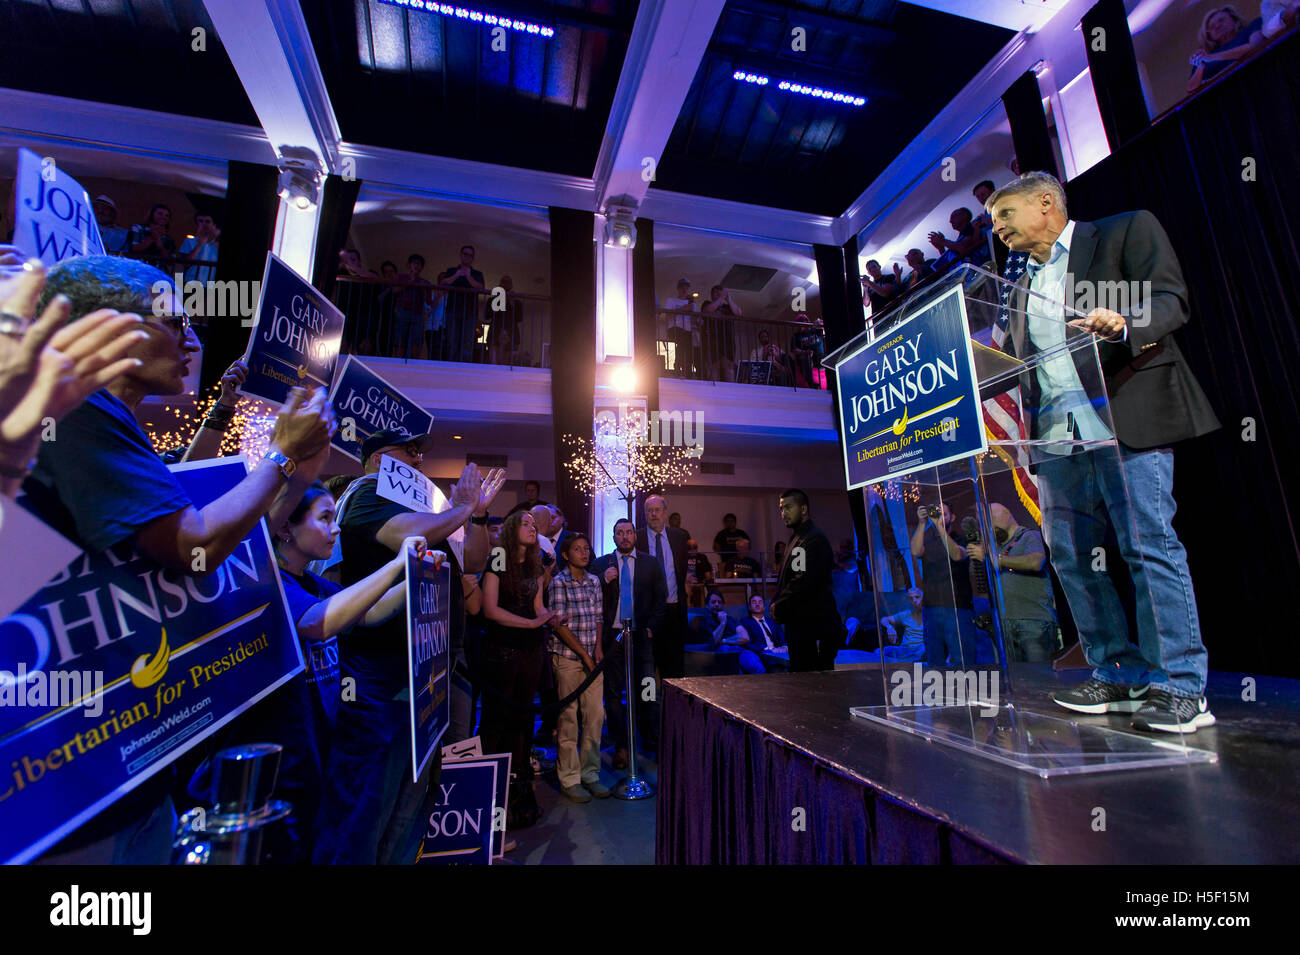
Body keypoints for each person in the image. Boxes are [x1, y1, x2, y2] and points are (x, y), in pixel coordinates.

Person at [16, 256, 334, 863]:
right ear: (113, 325)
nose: (192, 339)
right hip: (68, 779)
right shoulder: (73, 407)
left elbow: (186, 495)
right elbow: (194, 546)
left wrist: (255, 440)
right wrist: (281, 460)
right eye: (175, 322)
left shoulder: (102, 416)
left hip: (123, 757)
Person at [986, 171, 1220, 732]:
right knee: (1070, 556)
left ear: (1045, 203)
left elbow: (1170, 299)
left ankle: (1181, 688)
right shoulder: (1018, 285)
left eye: (1004, 216)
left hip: (1122, 418)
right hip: (1054, 433)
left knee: (1148, 547)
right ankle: (1119, 672)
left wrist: (1124, 322)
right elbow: (1023, 362)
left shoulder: (1122, 233)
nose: (997, 230)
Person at [315, 429, 500, 862]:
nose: (419, 460)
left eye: (420, 453)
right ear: (380, 459)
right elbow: (407, 535)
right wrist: (460, 507)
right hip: (382, 667)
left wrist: (474, 517)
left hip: (429, 662)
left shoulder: (430, 508)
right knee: (373, 795)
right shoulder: (365, 494)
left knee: (415, 790)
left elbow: (473, 560)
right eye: (410, 452)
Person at [264, 482, 428, 862]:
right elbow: (318, 622)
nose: (335, 529)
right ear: (287, 527)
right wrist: (394, 565)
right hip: (282, 757)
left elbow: (367, 611)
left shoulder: (313, 582)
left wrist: (416, 574)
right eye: (324, 518)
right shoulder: (272, 580)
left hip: (319, 745)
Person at [0, 260, 146, 497]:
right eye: (175, 323)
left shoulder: (59, 394)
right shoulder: (78, 406)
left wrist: (14, 453)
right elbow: (190, 534)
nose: (190, 342)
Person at [479, 510, 560, 826]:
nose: (531, 527)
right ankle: (488, 804)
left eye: (533, 524)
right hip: (502, 650)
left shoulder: (536, 562)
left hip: (530, 650)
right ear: (512, 528)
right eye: (525, 523)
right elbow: (490, 609)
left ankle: (520, 801)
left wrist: (548, 617)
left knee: (523, 723)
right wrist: (530, 623)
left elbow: (538, 606)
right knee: (498, 722)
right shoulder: (499, 556)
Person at [594, 518, 667, 767]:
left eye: (628, 532)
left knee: (647, 690)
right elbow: (592, 598)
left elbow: (661, 598)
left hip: (641, 637)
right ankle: (621, 746)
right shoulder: (600, 564)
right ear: (613, 537)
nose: (624, 536)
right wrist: (603, 580)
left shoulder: (650, 563)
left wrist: (650, 629)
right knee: (613, 694)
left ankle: (652, 739)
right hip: (613, 637)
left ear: (635, 536)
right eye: (619, 533)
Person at [546, 532, 611, 803]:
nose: (584, 553)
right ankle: (570, 778)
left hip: (591, 659)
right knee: (569, 719)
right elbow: (559, 627)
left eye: (586, 549)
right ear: (565, 554)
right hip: (568, 659)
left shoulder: (594, 581)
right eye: (577, 549)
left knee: (595, 716)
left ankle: (590, 773)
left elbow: (598, 616)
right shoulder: (559, 583)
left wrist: (596, 650)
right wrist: (585, 655)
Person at [966, 503, 1057, 662]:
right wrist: (978, 554)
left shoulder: (1030, 536)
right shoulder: (994, 547)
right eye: (985, 522)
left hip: (1034, 622)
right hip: (1006, 623)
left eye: (992, 518)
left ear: (1007, 513)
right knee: (1017, 679)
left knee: (1042, 677)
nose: (990, 525)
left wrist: (998, 560)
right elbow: (977, 578)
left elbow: (1036, 562)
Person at [771, 489, 843, 671]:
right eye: (781, 509)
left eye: (788, 507)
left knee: (816, 687)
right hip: (803, 627)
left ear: (803, 509)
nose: (783, 513)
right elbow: (796, 578)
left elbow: (801, 581)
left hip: (814, 628)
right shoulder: (799, 538)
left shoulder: (812, 539)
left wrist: (778, 606)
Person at [910, 502, 978, 667]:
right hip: (932, 607)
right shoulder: (928, 540)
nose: (940, 517)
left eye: (944, 514)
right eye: (938, 513)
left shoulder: (960, 538)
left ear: (952, 518)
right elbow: (915, 551)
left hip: (957, 607)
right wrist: (921, 522)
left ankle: (971, 690)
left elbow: (956, 555)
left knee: (963, 660)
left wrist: (940, 527)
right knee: (935, 661)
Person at [641, 493, 690, 679]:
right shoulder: (637, 538)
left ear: (665, 513)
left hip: (674, 610)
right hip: (649, 613)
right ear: (645, 514)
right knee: (648, 667)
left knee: (675, 666)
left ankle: (674, 707)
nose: (654, 514)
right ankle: (650, 705)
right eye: (650, 511)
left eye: (657, 510)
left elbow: (681, 571)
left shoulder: (679, 537)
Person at [1187, 6, 1265, 93]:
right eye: (1212, 27)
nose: (1217, 26)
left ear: (1234, 19)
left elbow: (1256, 45)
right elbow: (1191, 89)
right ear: (1209, 35)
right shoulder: (1205, 56)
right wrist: (1200, 67)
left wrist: (1212, 57)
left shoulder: (1252, 27)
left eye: (1221, 20)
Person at [437, 244, 485, 362]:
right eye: (465, 254)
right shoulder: (452, 271)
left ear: (473, 258)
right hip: (452, 311)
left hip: (470, 313)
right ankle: (451, 370)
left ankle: (465, 370)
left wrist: (468, 276)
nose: (467, 257)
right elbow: (443, 283)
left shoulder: (477, 274)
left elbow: (481, 287)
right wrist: (457, 275)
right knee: (451, 342)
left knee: (467, 343)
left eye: (470, 255)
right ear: (461, 255)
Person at [704, 588, 765, 674]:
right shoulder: (705, 621)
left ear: (723, 605)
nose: (717, 604)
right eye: (713, 602)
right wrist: (723, 623)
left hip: (739, 650)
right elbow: (713, 641)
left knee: (759, 669)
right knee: (737, 671)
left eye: (719, 602)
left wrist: (724, 641)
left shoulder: (731, 619)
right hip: (721, 653)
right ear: (707, 605)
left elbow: (745, 637)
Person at [392, 254, 432, 359]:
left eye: (419, 264)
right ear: (409, 265)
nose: (416, 266)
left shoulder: (425, 282)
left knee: (417, 340)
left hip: (418, 313)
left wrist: (424, 288)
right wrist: (409, 282)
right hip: (402, 311)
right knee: (400, 338)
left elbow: (428, 301)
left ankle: (414, 363)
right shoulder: (401, 277)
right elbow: (394, 290)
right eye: (414, 263)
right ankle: (398, 362)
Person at [871, 588, 927, 662]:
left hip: (921, 649)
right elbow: (884, 619)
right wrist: (889, 627)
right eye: (911, 598)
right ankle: (906, 661)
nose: (914, 600)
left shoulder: (931, 615)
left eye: (917, 597)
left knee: (924, 649)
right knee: (879, 651)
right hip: (904, 649)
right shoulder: (906, 614)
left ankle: (903, 661)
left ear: (922, 598)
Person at [700, 285, 739, 381]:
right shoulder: (707, 304)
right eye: (715, 293)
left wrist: (728, 299)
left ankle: (730, 390)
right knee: (714, 366)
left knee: (729, 366)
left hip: (728, 339)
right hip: (713, 339)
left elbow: (738, 312)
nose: (717, 294)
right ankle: (714, 391)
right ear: (711, 295)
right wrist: (721, 298)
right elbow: (707, 310)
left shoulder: (728, 307)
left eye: (719, 293)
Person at [662, 277, 698, 376]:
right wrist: (684, 308)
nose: (684, 290)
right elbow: (668, 316)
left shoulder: (692, 305)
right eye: (682, 287)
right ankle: (679, 366)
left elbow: (694, 322)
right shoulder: (671, 300)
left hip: (687, 330)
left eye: (686, 287)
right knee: (683, 343)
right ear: (678, 289)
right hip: (674, 328)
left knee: (687, 348)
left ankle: (684, 369)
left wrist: (692, 310)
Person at [178, 213, 220, 285]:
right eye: (200, 221)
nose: (204, 224)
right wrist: (199, 245)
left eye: (207, 221)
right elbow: (186, 264)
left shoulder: (217, 243)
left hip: (210, 285)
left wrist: (217, 238)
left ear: (213, 225)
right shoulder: (189, 241)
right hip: (189, 283)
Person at [789, 314, 827, 389]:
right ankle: (811, 383)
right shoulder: (796, 336)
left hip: (820, 356)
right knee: (804, 359)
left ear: (807, 322)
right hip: (806, 357)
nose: (801, 325)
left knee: (825, 357)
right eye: (799, 322)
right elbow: (794, 349)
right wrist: (805, 352)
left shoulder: (815, 330)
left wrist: (819, 324)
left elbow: (824, 333)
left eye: (803, 321)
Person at [684, 537, 713, 607]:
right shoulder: (682, 557)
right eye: (689, 547)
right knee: (686, 586)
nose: (692, 549)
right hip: (685, 582)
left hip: (699, 582)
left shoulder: (702, 557)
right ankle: (689, 610)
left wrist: (706, 581)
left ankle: (701, 609)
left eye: (694, 547)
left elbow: (707, 573)